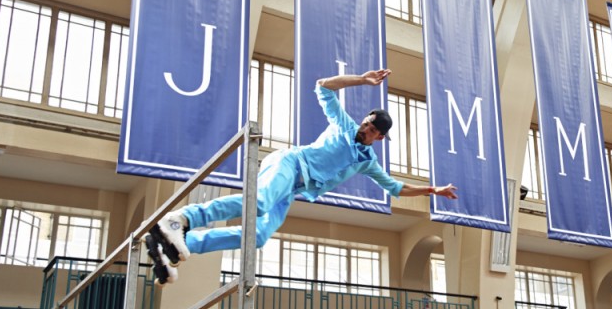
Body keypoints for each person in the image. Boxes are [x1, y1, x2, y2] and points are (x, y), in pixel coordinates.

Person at [144, 69, 457, 284]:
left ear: (380, 137)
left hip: (294, 189)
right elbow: (323, 86)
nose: (364, 130)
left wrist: (433, 190)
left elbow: (396, 188)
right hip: (289, 163)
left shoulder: (367, 162)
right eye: (365, 124)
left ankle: (179, 244)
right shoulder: (343, 124)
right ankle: (183, 219)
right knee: (261, 202)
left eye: (371, 130)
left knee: (259, 236)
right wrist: (362, 80)